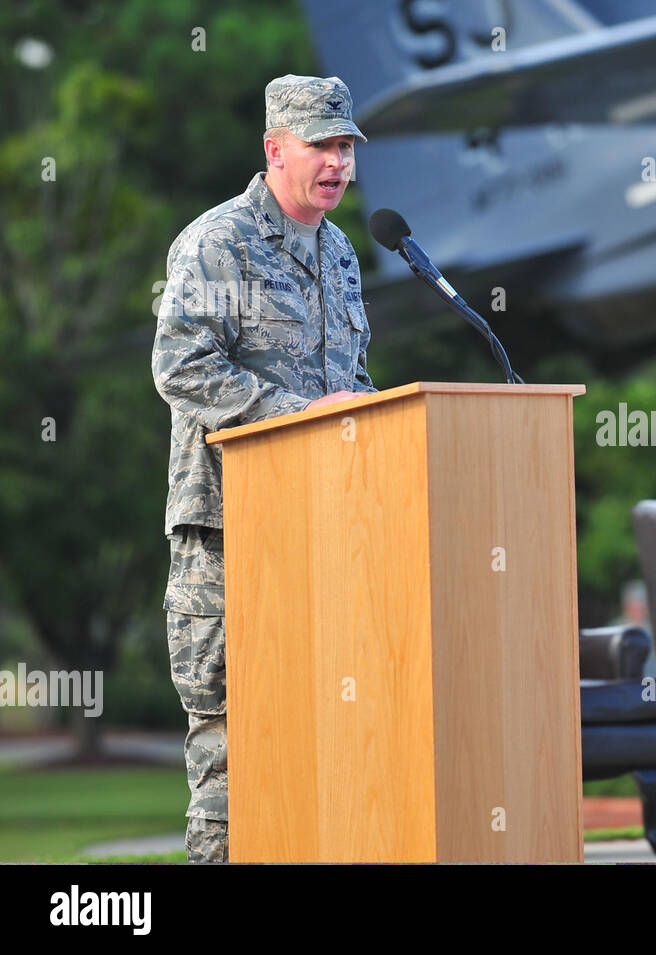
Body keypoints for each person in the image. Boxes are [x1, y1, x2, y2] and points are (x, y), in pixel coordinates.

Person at [151, 74, 378, 863]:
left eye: (346, 145)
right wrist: (296, 417)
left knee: (329, 728)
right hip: (229, 531)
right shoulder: (218, 242)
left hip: (326, 528)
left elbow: (351, 378)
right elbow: (179, 366)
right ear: (275, 148)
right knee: (233, 737)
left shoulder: (341, 251)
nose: (339, 162)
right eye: (322, 144)